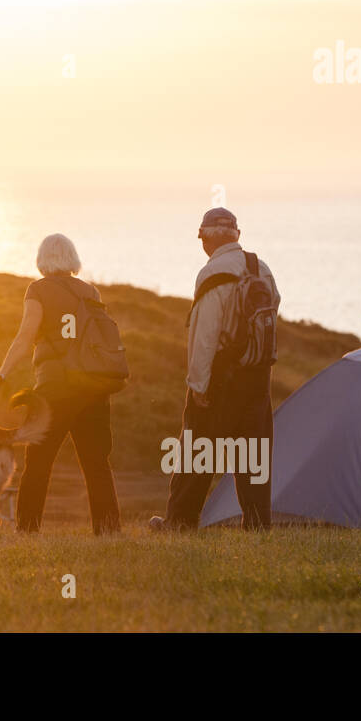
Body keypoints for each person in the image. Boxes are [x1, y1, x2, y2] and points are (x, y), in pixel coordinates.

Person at [0, 233, 122, 535]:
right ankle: (109, 531)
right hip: (93, 387)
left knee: (39, 462)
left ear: (42, 259)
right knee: (97, 462)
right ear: (71, 258)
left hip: (56, 388)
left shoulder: (39, 290)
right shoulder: (90, 292)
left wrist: (2, 375)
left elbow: (25, 336)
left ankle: (28, 529)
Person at [151, 207, 280, 531]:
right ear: (236, 235)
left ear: (206, 237)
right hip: (258, 376)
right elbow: (273, 307)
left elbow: (205, 335)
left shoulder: (212, 273)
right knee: (252, 455)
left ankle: (180, 522)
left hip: (222, 376)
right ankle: (257, 525)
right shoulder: (260, 268)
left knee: (197, 452)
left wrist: (198, 386)